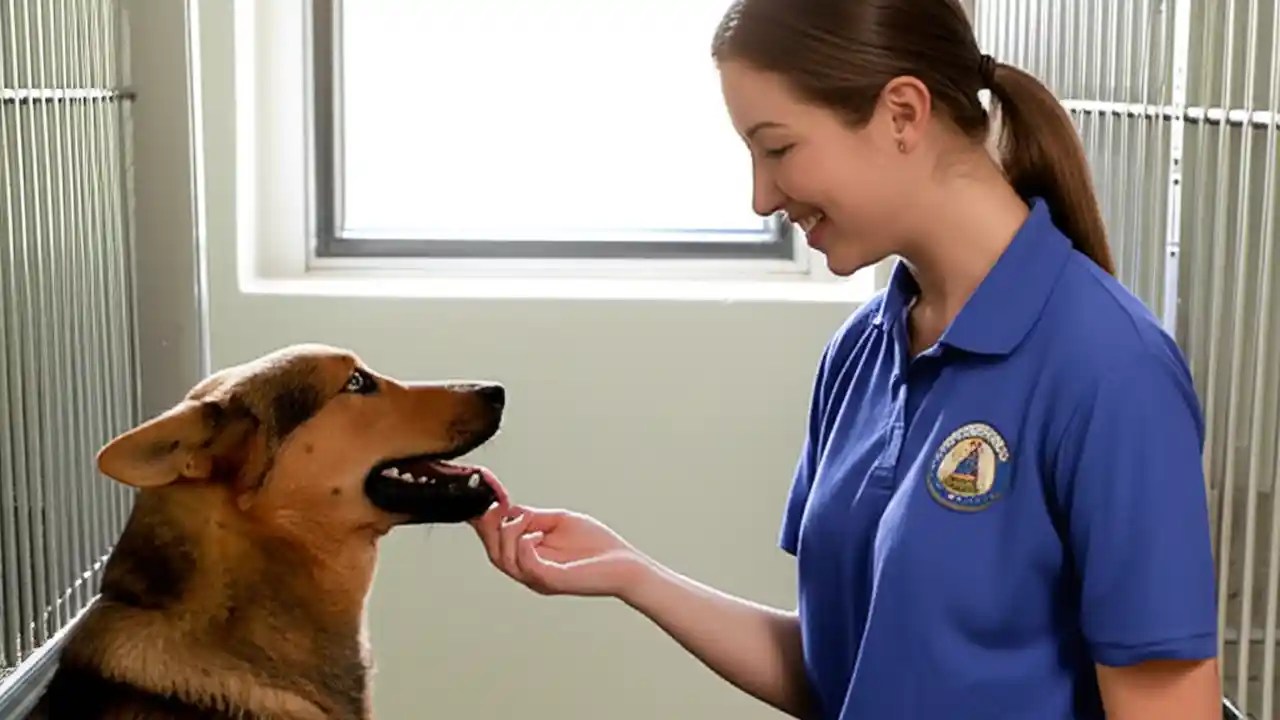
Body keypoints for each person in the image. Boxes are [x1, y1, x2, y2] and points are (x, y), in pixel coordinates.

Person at [469, 0, 1223, 718]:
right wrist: (633, 573)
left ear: (902, 113)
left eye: (778, 149)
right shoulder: (862, 351)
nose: (762, 197)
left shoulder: (1110, 370)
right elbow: (839, 672)